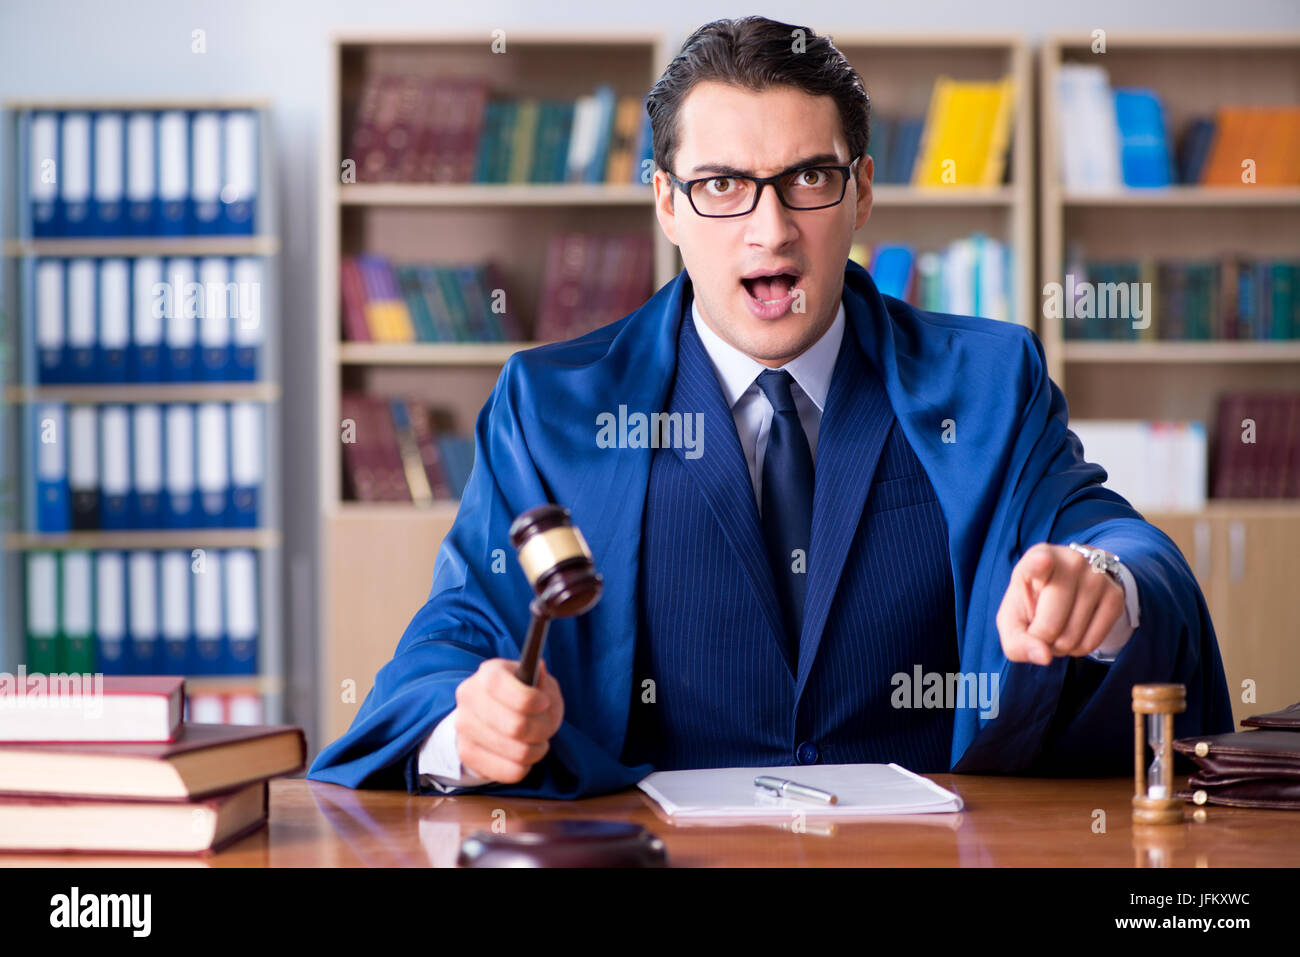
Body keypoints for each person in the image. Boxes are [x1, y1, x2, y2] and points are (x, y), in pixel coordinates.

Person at [308, 16, 1232, 798]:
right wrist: (465, 730)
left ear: (862, 190)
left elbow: (1128, 547)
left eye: (809, 178)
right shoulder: (552, 409)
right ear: (667, 204)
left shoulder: (988, 383)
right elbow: (452, 641)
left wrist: (1104, 590)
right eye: (721, 186)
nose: (770, 226)